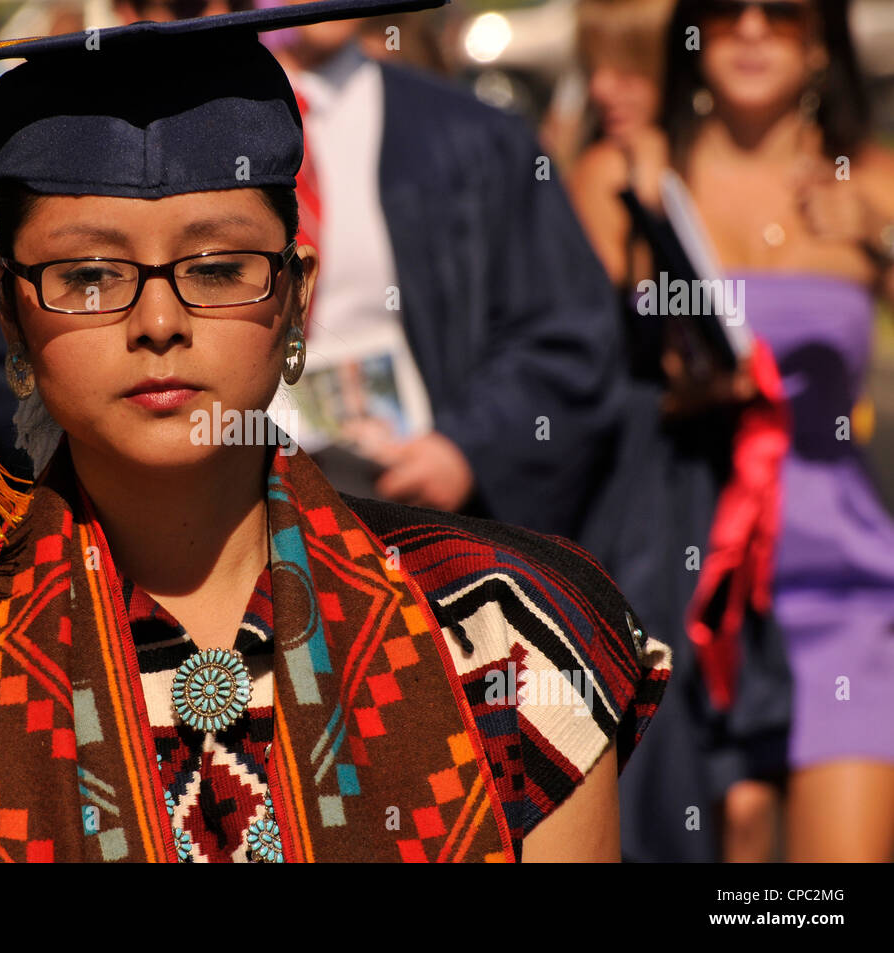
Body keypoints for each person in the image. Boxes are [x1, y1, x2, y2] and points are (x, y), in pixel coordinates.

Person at [0, 0, 672, 864]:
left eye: (219, 267)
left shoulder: (512, 645)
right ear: (7, 315)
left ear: (298, 298)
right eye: (88, 275)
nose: (160, 320)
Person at [581, 0, 894, 863]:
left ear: (823, 39)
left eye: (784, 12)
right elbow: (580, 369)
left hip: (842, 583)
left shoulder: (871, 178)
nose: (752, 31)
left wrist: (882, 238)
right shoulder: (628, 170)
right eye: (724, 12)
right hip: (684, 574)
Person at [246, 3, 628, 542]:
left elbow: (566, 335)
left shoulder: (475, 139)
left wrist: (468, 448)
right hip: (229, 514)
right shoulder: (184, 137)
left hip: (407, 518)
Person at [569, 0, 795, 863]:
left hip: (713, 481)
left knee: (733, 774)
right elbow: (618, 348)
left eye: (630, 67)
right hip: (642, 483)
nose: (606, 88)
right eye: (596, 68)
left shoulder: (690, 165)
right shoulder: (605, 168)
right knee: (662, 730)